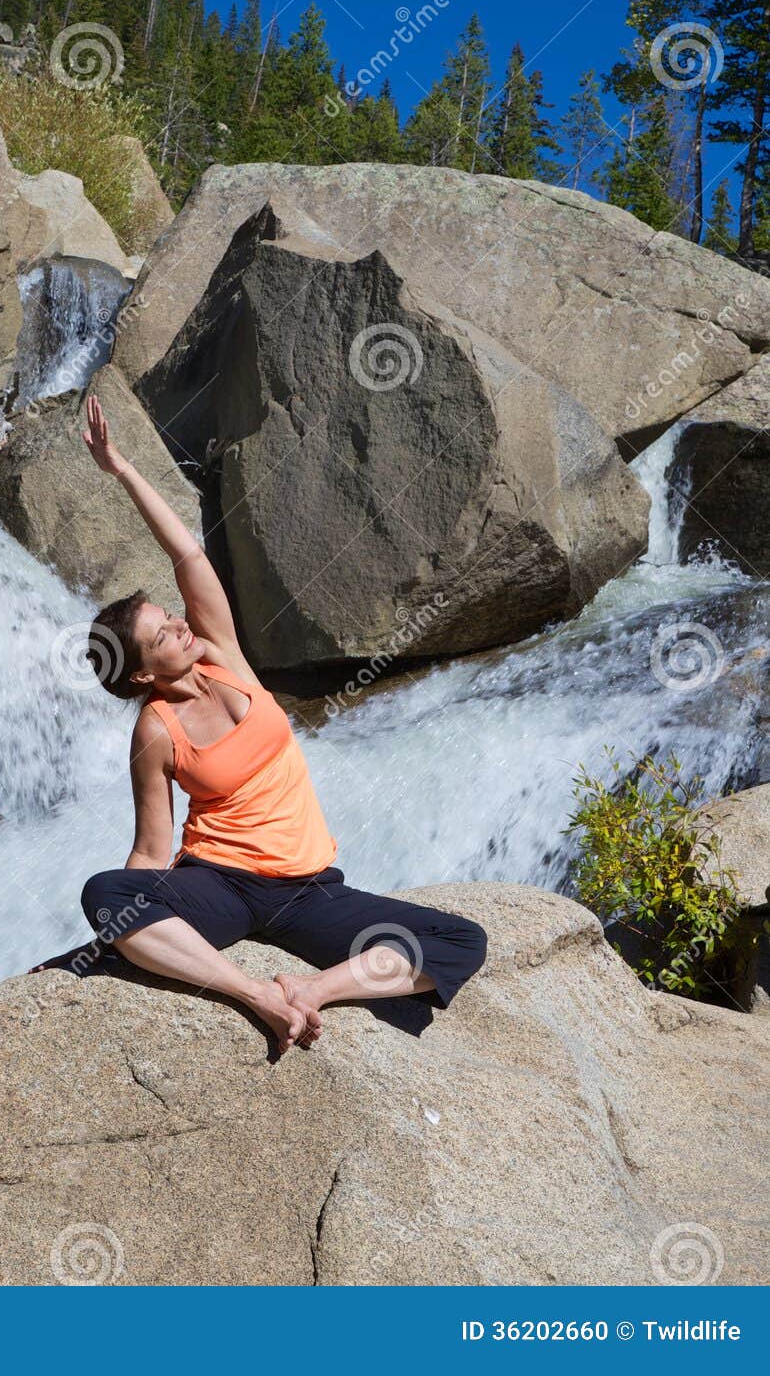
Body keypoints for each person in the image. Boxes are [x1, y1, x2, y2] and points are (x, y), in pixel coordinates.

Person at [30, 393, 488, 1055]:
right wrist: (108, 936)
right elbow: (151, 854)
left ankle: (311, 992)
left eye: (170, 616)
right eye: (162, 633)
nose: (179, 625)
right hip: (220, 887)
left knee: (460, 939)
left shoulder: (224, 657)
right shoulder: (156, 731)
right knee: (106, 891)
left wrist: (122, 470)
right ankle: (253, 995)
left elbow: (189, 557)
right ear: (140, 673)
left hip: (309, 894)